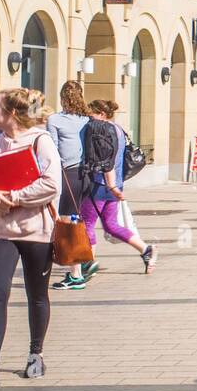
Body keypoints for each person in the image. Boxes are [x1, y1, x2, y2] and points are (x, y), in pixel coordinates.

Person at [0, 88, 60, 390]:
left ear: (10, 114)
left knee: (36, 294)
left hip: (37, 230)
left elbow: (51, 184)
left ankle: (36, 353)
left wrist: (15, 197)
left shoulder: (40, 140)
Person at [56, 99, 156, 290]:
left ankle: (87, 262)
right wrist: (113, 185)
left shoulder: (100, 130)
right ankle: (146, 249)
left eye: (91, 113)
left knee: (86, 225)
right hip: (115, 184)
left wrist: (107, 183)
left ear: (101, 113)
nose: (88, 117)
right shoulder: (118, 129)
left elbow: (103, 160)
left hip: (100, 184)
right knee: (111, 225)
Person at [46, 81, 90, 221]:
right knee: (78, 216)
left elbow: (53, 148)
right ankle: (80, 241)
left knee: (64, 216)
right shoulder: (87, 119)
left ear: (62, 98)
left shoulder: (54, 119)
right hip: (86, 174)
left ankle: (66, 242)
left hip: (66, 172)